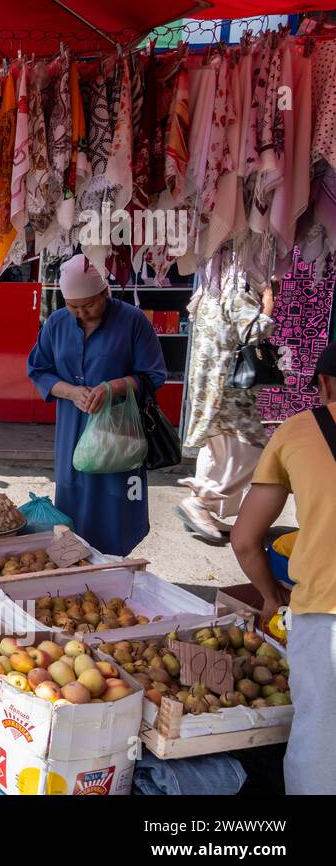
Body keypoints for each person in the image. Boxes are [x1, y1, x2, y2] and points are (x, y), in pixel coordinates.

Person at [230, 341, 336, 794]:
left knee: (320, 748)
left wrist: (272, 598)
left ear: (325, 384)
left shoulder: (299, 430)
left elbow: (245, 539)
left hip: (326, 612)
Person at [27, 254, 167, 556]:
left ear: (105, 293)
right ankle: (73, 565)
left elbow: (153, 375)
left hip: (120, 431)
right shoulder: (57, 323)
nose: (80, 314)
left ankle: (115, 566)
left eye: (88, 305)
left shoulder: (132, 321)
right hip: (72, 428)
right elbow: (38, 369)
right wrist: (72, 392)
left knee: (115, 500)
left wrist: (111, 388)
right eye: (73, 306)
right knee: (72, 491)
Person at [177, 272, 277, 542]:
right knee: (251, 452)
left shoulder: (210, 292)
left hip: (209, 388)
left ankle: (203, 511)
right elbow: (255, 331)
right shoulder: (237, 292)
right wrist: (269, 302)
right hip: (229, 391)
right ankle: (201, 503)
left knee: (218, 451)